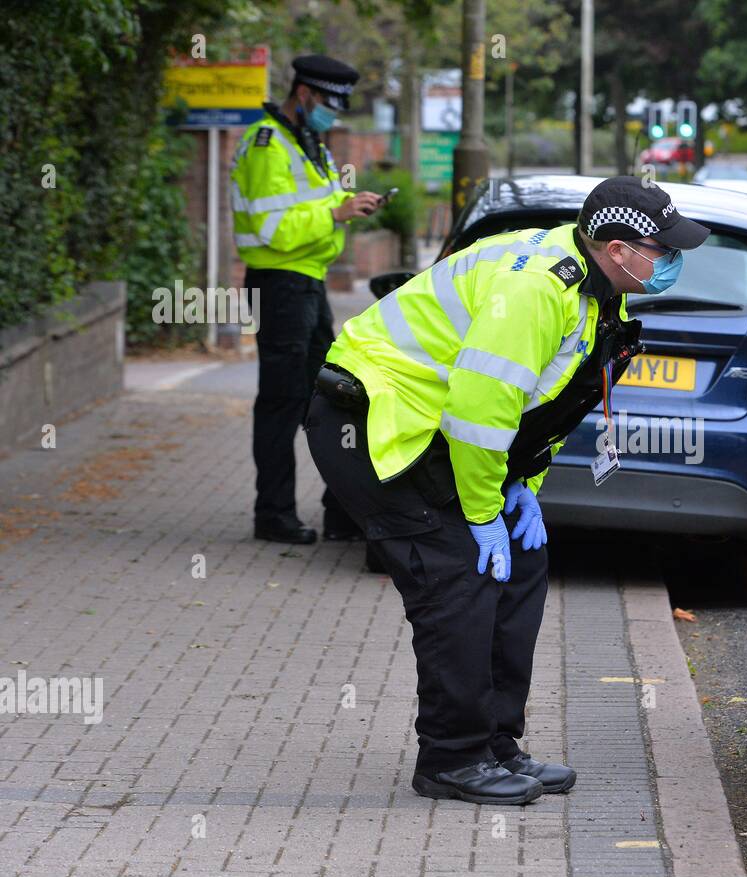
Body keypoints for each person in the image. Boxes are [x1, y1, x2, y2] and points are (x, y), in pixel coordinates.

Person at [305, 176, 710, 805]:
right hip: (374, 420)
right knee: (457, 576)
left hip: (434, 425)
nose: (673, 263)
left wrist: (523, 486)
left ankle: (494, 745)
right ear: (614, 245)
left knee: (522, 563)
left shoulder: (599, 296)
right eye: (661, 250)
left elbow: (541, 411)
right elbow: (480, 409)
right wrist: (483, 509)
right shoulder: (537, 289)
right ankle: (451, 759)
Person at [231, 54, 383, 544]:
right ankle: (272, 514)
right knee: (282, 400)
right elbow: (270, 227)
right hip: (279, 284)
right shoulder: (267, 145)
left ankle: (338, 509)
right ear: (304, 94)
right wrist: (337, 214)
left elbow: (310, 207)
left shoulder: (306, 142)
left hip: (305, 282)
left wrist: (347, 208)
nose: (332, 115)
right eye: (328, 104)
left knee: (329, 397)